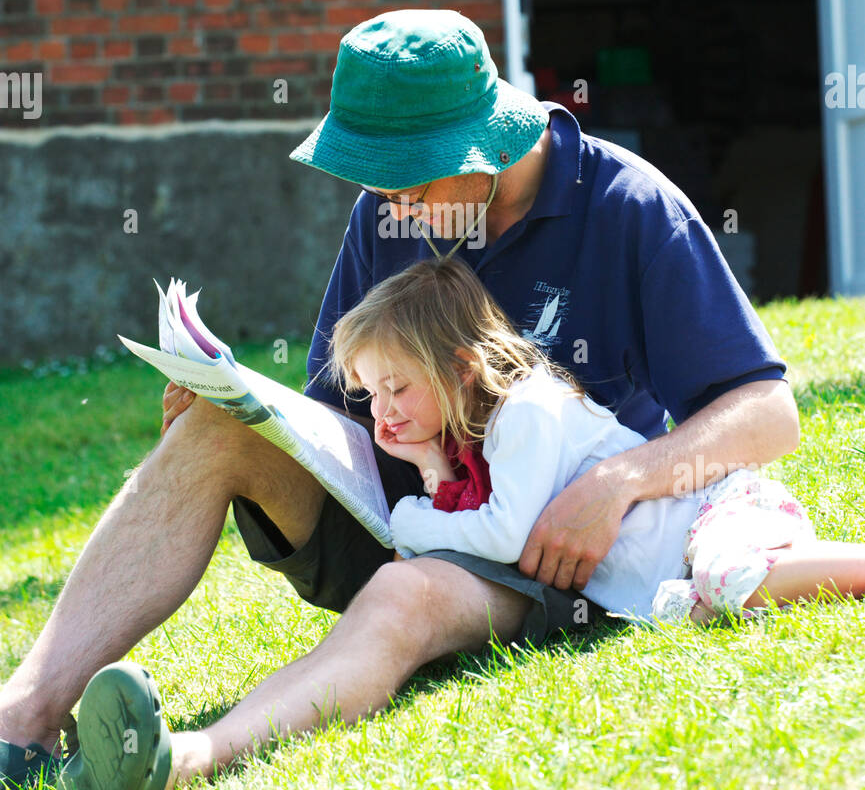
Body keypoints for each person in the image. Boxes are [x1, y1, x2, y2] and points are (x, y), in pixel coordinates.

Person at [0, 9, 800, 790]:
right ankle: (22, 720)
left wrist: (622, 483)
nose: (399, 212)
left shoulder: (630, 207)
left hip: (535, 545)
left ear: (483, 143)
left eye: (412, 186)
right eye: (384, 190)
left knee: (403, 599)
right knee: (214, 428)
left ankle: (174, 764)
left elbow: (766, 409)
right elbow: (332, 404)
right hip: (393, 508)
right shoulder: (388, 212)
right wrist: (235, 412)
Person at [329, 255, 865, 626]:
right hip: (672, 567)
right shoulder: (475, 436)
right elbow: (473, 520)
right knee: (681, 608)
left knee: (724, 577)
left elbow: (503, 539)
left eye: (397, 387)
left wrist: (408, 517)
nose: (381, 409)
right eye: (371, 392)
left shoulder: (526, 412)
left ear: (463, 369)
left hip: (716, 512)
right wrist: (431, 464)